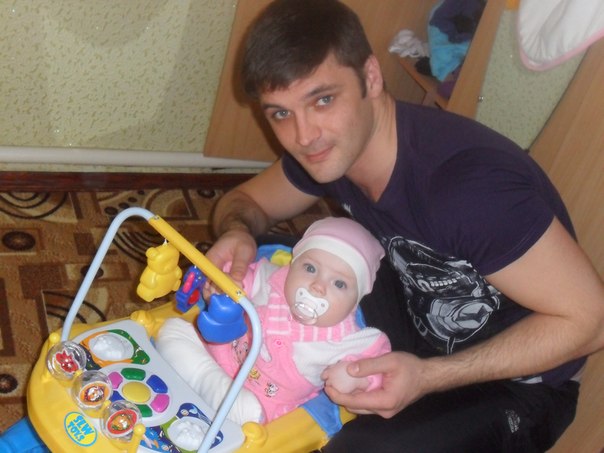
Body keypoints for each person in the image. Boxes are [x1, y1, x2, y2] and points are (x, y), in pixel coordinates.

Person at [204, 0, 604, 451]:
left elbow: (590, 322)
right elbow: (244, 203)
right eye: (281, 113)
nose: (304, 136)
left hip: (514, 378)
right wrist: (236, 232)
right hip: (415, 314)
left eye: (323, 100)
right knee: (268, 258)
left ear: (371, 77)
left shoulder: (467, 188)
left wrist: (427, 376)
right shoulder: (333, 150)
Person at [156, 217, 391, 425]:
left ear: (355, 301)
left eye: (339, 283)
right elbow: (242, 280)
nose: (317, 286)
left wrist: (355, 377)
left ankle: (207, 389)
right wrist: (223, 289)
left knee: (246, 411)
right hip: (218, 354)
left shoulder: (350, 340)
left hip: (259, 401)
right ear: (293, 264)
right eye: (310, 268)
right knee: (171, 331)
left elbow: (380, 373)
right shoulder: (272, 278)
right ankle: (203, 379)